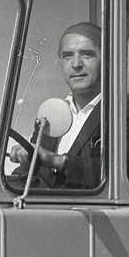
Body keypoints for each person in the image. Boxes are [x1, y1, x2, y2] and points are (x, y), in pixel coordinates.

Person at [38, 22, 103, 190]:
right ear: (60, 62)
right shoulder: (51, 113)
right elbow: (29, 174)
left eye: (87, 55)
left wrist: (54, 160)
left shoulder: (127, 113)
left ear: (107, 59)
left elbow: (117, 174)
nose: (76, 64)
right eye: (67, 56)